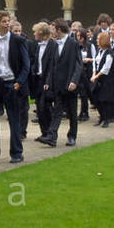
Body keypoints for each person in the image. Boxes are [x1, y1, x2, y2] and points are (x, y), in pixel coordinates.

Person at [0, 10, 28, 164]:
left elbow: (26, 65)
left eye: (8, 21)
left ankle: (16, 153)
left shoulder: (17, 40)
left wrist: (19, 82)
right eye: (4, 21)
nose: (7, 24)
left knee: (14, 120)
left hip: (11, 83)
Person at [38, 18, 80, 148]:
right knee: (57, 111)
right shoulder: (55, 44)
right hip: (58, 83)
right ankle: (52, 137)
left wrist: (74, 81)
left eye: (54, 29)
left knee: (72, 112)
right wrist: (48, 81)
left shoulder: (73, 43)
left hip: (70, 83)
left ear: (59, 30)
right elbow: (53, 65)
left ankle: (72, 136)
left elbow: (78, 64)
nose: (52, 32)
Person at [88, 30, 114, 127]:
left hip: (107, 80)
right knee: (97, 99)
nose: (96, 41)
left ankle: (106, 119)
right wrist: (93, 73)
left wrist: (97, 75)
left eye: (98, 39)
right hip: (98, 79)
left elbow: (106, 67)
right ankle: (101, 117)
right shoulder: (99, 51)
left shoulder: (109, 52)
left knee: (105, 100)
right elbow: (94, 63)